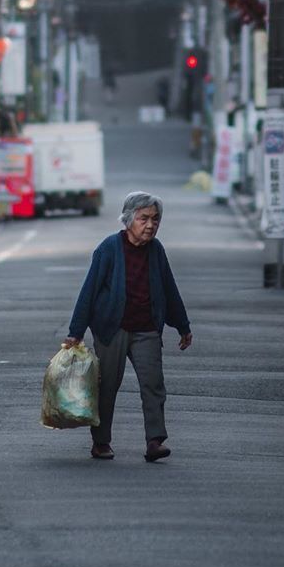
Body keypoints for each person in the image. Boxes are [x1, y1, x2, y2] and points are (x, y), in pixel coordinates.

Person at [63, 191, 192, 463]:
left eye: (155, 219)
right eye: (144, 219)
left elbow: (169, 289)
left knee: (153, 384)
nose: (150, 225)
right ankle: (101, 442)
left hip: (147, 328)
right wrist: (76, 332)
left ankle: (155, 441)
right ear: (128, 218)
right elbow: (89, 291)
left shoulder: (156, 251)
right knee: (107, 386)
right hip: (112, 329)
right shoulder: (109, 248)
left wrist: (183, 325)